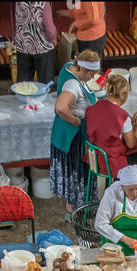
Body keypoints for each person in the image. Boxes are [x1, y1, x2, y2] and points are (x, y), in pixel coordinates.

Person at [50, 49, 100, 213]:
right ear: (83, 69)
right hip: (73, 136)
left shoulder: (70, 66)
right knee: (76, 171)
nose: (92, 78)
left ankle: (74, 206)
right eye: (91, 74)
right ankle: (74, 209)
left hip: (66, 133)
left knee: (74, 170)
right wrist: (76, 121)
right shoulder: (73, 85)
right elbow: (60, 107)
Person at [85, 71, 137, 181]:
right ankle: (133, 186)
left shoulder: (93, 108)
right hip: (111, 162)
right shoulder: (122, 116)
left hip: (94, 159)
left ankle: (115, 186)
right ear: (124, 94)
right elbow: (131, 144)